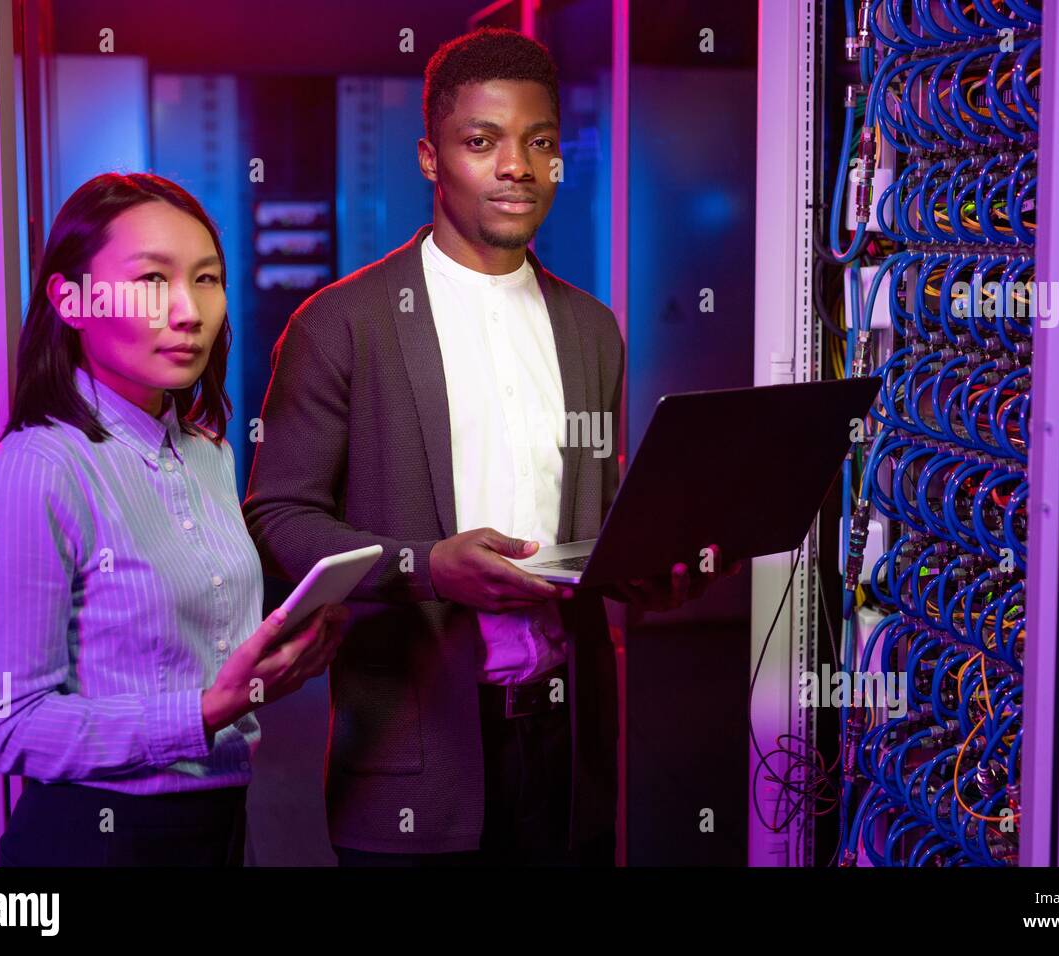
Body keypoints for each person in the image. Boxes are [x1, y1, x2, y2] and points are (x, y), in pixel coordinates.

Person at [243, 28, 730, 867]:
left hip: (565, 743)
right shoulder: (340, 326)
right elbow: (277, 519)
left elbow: (593, 510)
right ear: (431, 157)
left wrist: (648, 561)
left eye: (540, 143)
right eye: (482, 142)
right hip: (418, 758)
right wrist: (427, 566)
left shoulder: (591, 329)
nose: (518, 167)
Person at [0, 172, 348, 867]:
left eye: (206, 279)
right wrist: (203, 712)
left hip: (220, 823)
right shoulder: (38, 471)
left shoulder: (207, 453)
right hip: (96, 840)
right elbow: (8, 725)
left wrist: (283, 653)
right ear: (70, 300)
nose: (189, 311)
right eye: (151, 280)